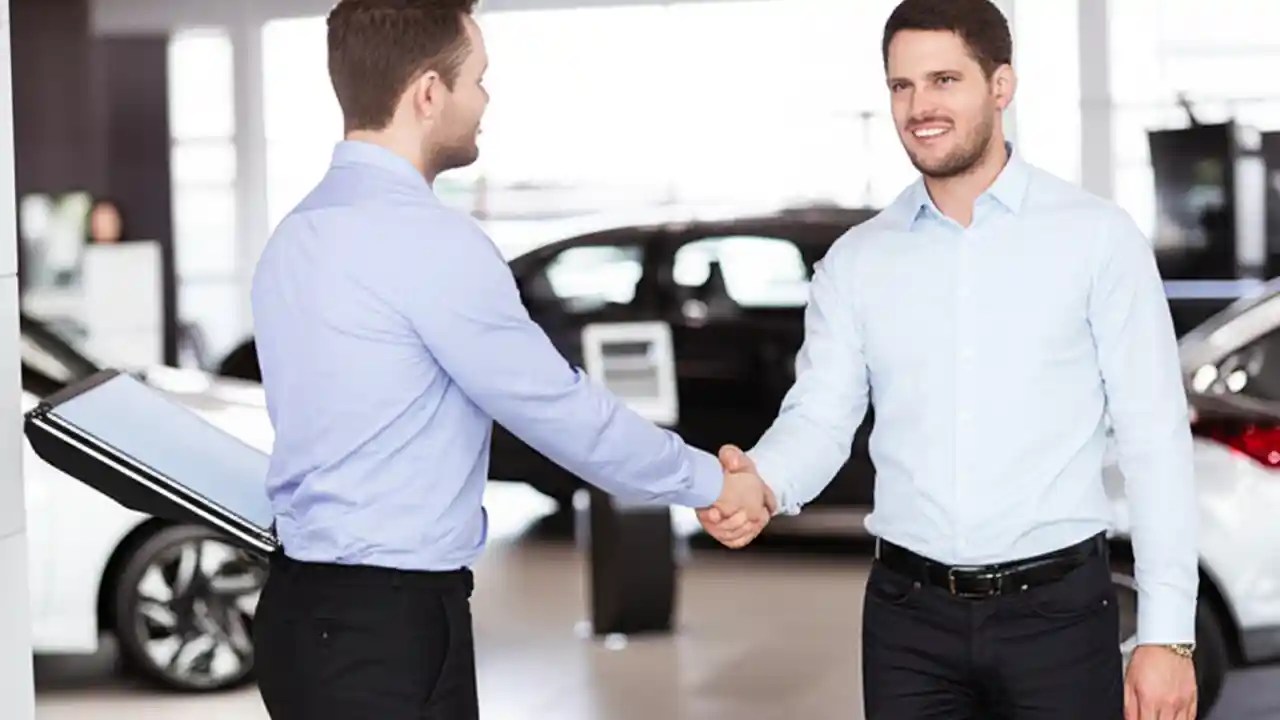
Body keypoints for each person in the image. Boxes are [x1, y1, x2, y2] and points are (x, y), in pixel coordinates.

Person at [248, 2, 771, 718]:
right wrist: (712, 479)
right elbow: (556, 409)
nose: (485, 102)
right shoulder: (429, 244)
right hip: (387, 630)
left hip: (304, 615)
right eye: (478, 81)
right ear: (429, 94)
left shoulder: (293, 237)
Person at [701, 1, 1199, 718]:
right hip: (909, 621)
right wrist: (763, 482)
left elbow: (1155, 440)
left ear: (1001, 86)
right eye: (901, 86)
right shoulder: (858, 261)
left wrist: (1168, 635)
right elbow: (819, 416)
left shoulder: (1096, 240)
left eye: (943, 80)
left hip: (1058, 617)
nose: (919, 107)